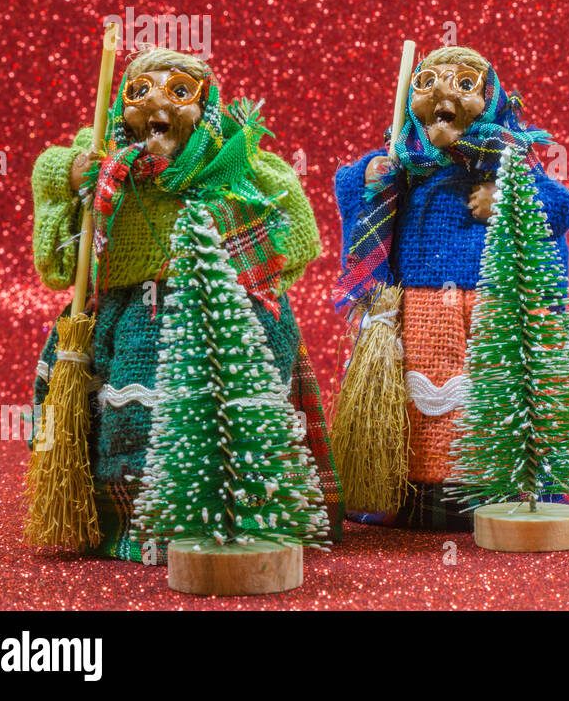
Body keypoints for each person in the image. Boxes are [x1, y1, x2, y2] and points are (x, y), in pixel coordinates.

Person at [30, 47, 341, 560]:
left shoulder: (235, 162)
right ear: (120, 106)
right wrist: (70, 176)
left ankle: (241, 523)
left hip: (223, 315)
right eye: (140, 91)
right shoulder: (104, 166)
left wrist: (231, 251)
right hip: (126, 317)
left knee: (228, 424)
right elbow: (58, 267)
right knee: (128, 418)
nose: (159, 104)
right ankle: (131, 525)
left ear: (206, 104)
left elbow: (300, 240)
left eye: (179, 92)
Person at [333, 46, 569, 529]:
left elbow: (560, 207)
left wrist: (506, 199)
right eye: (428, 82)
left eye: (464, 84)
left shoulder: (508, 159)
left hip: (494, 307)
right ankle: (425, 491)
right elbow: (354, 193)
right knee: (426, 397)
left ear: (489, 99)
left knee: (492, 392)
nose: (444, 94)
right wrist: (367, 176)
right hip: (420, 306)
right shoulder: (403, 160)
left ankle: (499, 487)